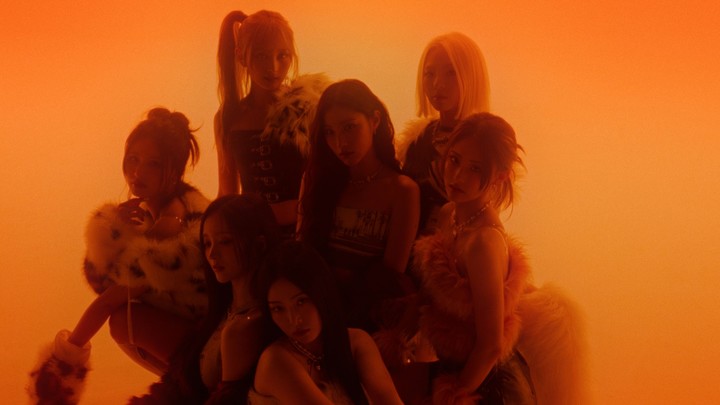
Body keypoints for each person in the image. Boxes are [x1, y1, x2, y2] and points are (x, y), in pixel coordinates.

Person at [28, 108, 210, 404]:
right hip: (196, 331)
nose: (138, 172)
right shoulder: (156, 209)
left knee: (123, 320)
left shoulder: (171, 222)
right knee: (124, 316)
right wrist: (116, 226)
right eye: (133, 159)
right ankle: (186, 386)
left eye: (153, 164)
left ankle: (194, 387)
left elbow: (110, 298)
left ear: (174, 170)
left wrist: (64, 361)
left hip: (207, 340)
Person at [412, 113, 588, 404]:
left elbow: (491, 345)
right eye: (454, 160)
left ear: (500, 176)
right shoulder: (449, 213)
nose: (457, 176)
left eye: (475, 169)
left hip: (489, 387)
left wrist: (452, 396)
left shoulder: (484, 243)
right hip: (455, 370)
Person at [130, 193, 281, 404]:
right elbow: (176, 385)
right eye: (207, 243)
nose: (212, 254)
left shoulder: (253, 324)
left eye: (225, 242)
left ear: (259, 245)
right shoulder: (221, 309)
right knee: (124, 319)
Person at [297, 79, 420, 332]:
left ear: (374, 121)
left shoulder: (402, 190)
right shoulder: (316, 181)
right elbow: (302, 257)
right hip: (314, 313)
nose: (340, 143)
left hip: (369, 319)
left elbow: (389, 279)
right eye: (329, 132)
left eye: (349, 127)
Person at [214, 10, 328, 238]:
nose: (273, 67)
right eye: (261, 56)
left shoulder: (306, 108)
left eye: (282, 55)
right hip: (252, 239)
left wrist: (281, 212)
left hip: (304, 235)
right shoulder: (228, 117)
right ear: (241, 56)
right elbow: (227, 193)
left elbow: (325, 185)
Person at [250, 241, 403, 405]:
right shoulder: (275, 361)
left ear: (322, 293)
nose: (293, 319)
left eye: (301, 301)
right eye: (278, 309)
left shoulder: (356, 342)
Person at [397, 32, 490, 235]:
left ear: (471, 76)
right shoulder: (418, 138)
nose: (438, 83)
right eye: (429, 73)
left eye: (451, 72)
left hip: (452, 249)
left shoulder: (484, 143)